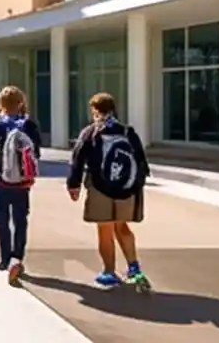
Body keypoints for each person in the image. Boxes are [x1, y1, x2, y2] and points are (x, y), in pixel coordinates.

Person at [66, 92, 151, 290]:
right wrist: (136, 186)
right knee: (122, 227)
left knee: (105, 230)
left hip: (100, 187)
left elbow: (77, 159)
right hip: (125, 189)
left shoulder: (90, 132)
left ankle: (109, 272)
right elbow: (141, 162)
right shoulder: (128, 132)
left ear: (95, 110)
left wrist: (73, 184)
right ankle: (134, 268)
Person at [0, 86, 42, 285]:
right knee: (20, 220)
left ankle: (5, 258)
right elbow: (36, 153)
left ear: (0, 104)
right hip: (22, 183)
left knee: (2, 220)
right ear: (20, 103)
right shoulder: (29, 126)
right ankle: (18, 257)